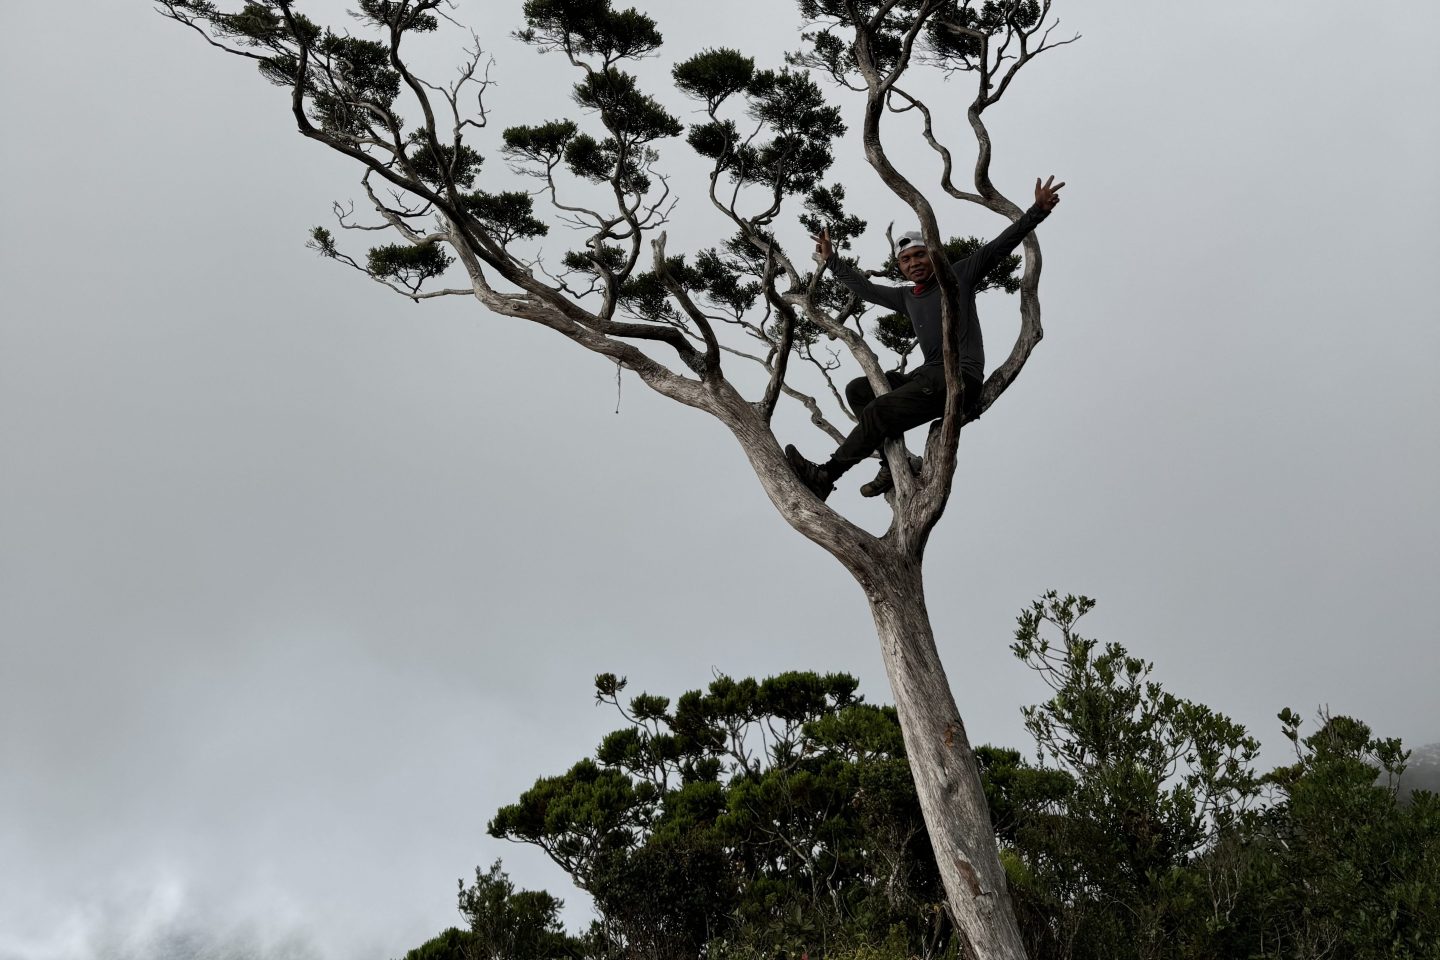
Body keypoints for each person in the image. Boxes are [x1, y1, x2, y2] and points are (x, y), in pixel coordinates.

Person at [785, 175, 1065, 501]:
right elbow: (866, 289)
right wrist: (831, 260)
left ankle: (825, 476)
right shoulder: (907, 298)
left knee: (878, 410)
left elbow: (999, 246)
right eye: (906, 259)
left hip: (957, 378)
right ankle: (896, 462)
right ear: (900, 267)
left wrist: (1038, 211)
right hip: (927, 376)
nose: (914, 263)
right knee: (859, 391)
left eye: (920, 255)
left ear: (933, 256)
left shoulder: (958, 274)